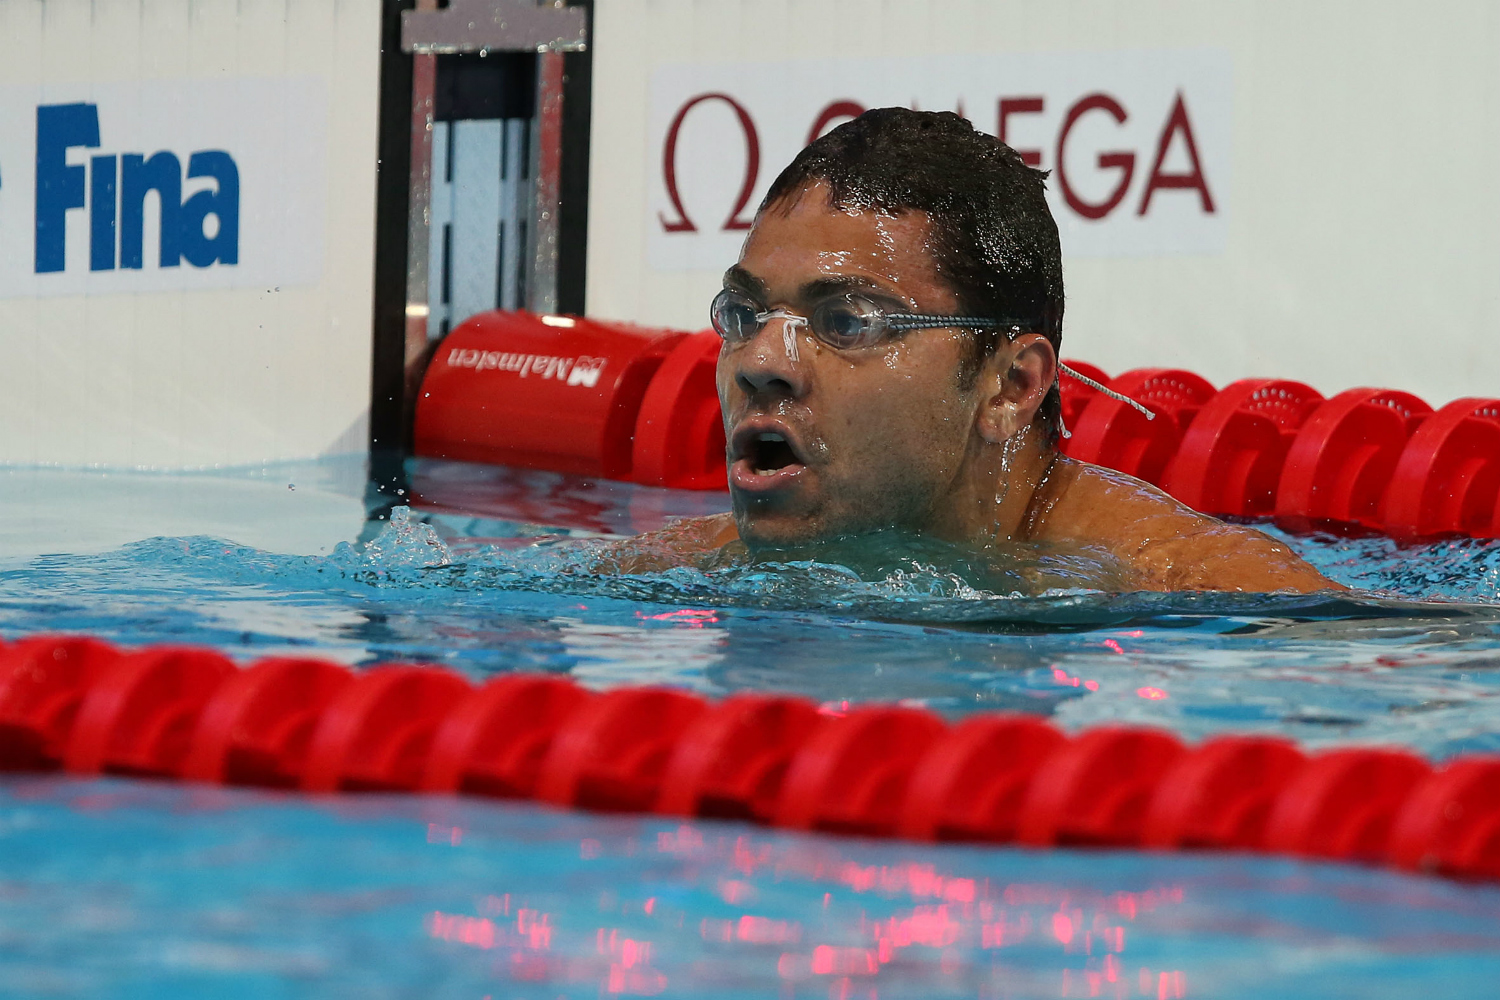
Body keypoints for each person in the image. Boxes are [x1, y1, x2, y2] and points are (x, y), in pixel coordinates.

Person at [606, 108, 1335, 593]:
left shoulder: (1195, 586)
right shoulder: (677, 569)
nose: (763, 361)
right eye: (745, 314)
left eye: (846, 322)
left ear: (1010, 385)